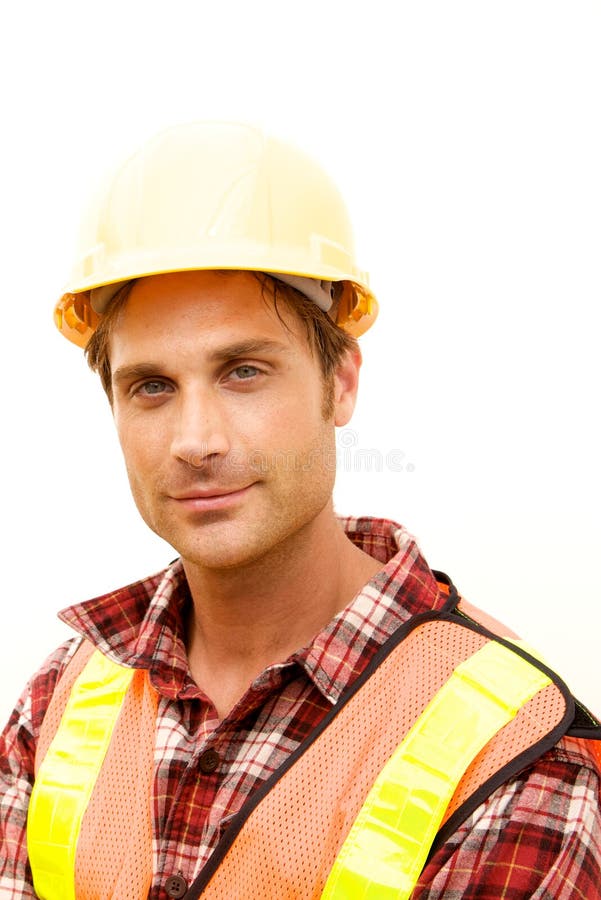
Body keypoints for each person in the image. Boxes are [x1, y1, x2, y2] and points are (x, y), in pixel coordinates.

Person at [1, 121, 600, 900]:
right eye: (151, 386)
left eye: (243, 371)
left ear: (340, 381)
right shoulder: (62, 699)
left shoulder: (512, 753)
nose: (195, 440)